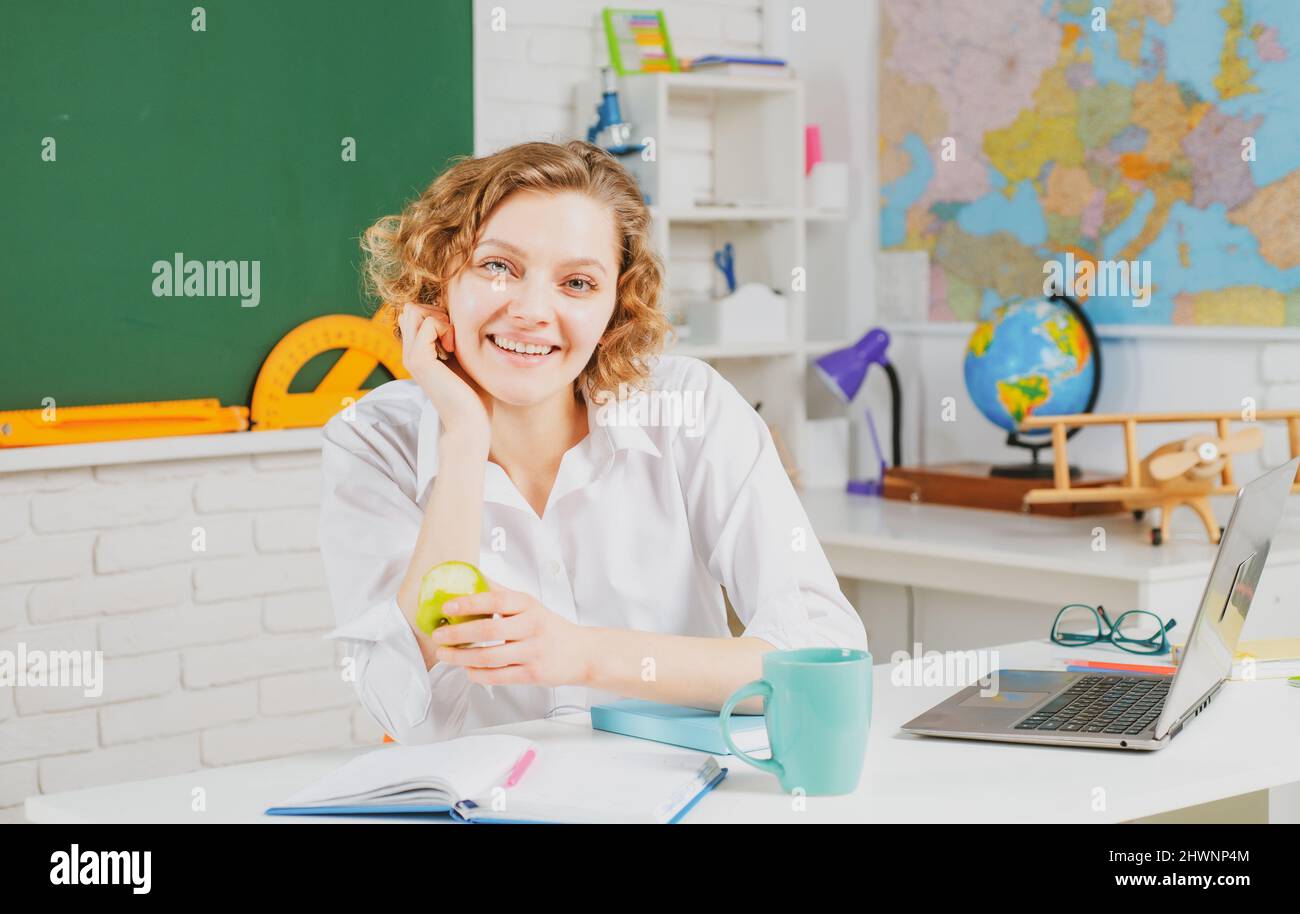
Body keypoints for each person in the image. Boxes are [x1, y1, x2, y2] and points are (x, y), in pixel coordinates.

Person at [319, 140, 866, 744]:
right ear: (439, 277)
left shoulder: (690, 410)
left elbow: (824, 656)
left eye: (577, 282)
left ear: (616, 306)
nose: (531, 310)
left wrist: (582, 654)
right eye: (498, 266)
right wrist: (464, 438)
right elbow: (401, 704)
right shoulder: (372, 441)